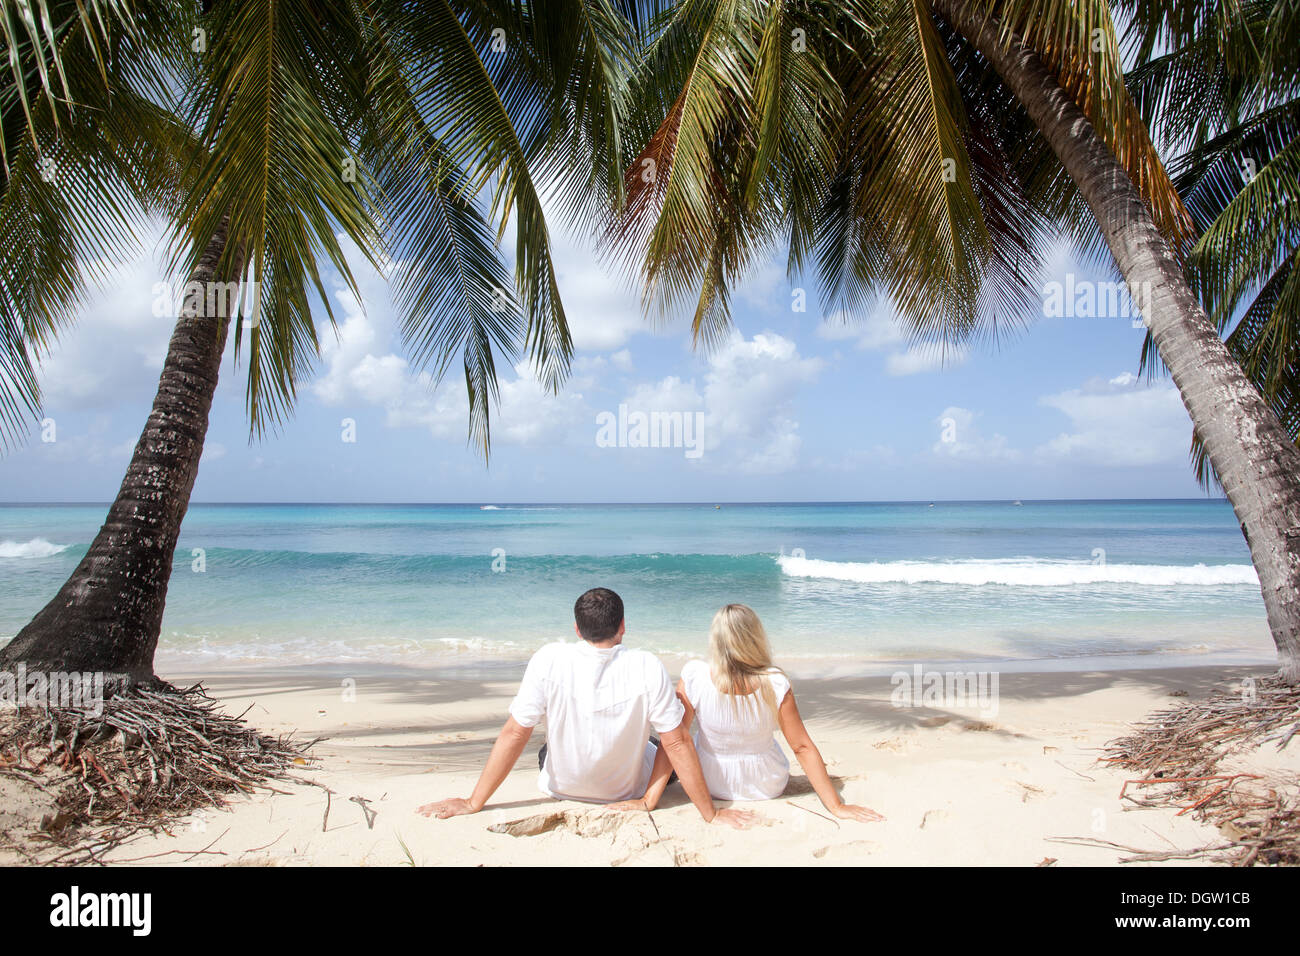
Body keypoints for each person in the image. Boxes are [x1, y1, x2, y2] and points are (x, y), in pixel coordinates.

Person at [417, 588, 756, 828]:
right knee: (664, 737)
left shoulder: (548, 658)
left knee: (545, 748)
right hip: (627, 790)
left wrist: (474, 802)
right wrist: (710, 815)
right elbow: (677, 742)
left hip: (561, 787)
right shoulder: (646, 664)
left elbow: (515, 732)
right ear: (623, 627)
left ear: (577, 629)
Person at [614, 603, 884, 823]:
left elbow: (675, 742)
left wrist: (649, 800)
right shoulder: (775, 682)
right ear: (755, 638)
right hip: (766, 784)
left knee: (676, 739)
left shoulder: (695, 675)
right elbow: (802, 747)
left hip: (709, 781)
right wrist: (835, 806)